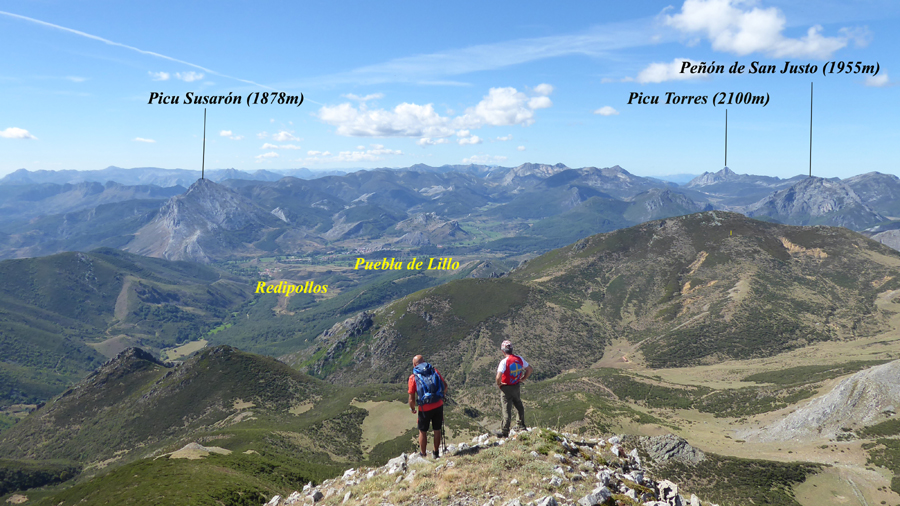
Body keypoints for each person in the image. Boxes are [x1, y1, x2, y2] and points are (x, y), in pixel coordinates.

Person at [408, 354, 448, 458]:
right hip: (438, 405)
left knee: (422, 431)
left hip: (424, 408)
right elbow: (445, 386)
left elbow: (411, 398)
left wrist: (412, 408)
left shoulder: (413, 377)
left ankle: (423, 454)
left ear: (415, 364)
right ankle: (436, 453)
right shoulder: (434, 371)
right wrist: (441, 396)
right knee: (437, 429)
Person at [495, 340, 532, 438]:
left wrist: (499, 384)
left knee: (506, 409)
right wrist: (522, 379)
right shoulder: (519, 359)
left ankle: (504, 432)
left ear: (503, 351)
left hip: (506, 387)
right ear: (511, 349)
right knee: (519, 404)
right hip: (516, 385)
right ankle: (521, 425)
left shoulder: (504, 362)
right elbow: (529, 369)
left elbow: (498, 377)